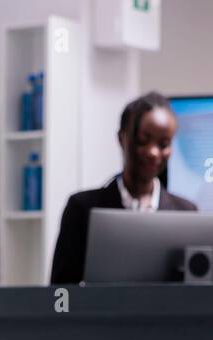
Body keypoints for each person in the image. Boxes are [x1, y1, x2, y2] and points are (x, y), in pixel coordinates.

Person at [49, 92, 197, 285]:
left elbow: (192, 293)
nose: (153, 153)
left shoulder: (186, 212)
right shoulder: (82, 208)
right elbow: (60, 291)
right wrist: (64, 314)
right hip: (100, 315)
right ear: (122, 138)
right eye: (143, 140)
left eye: (163, 144)